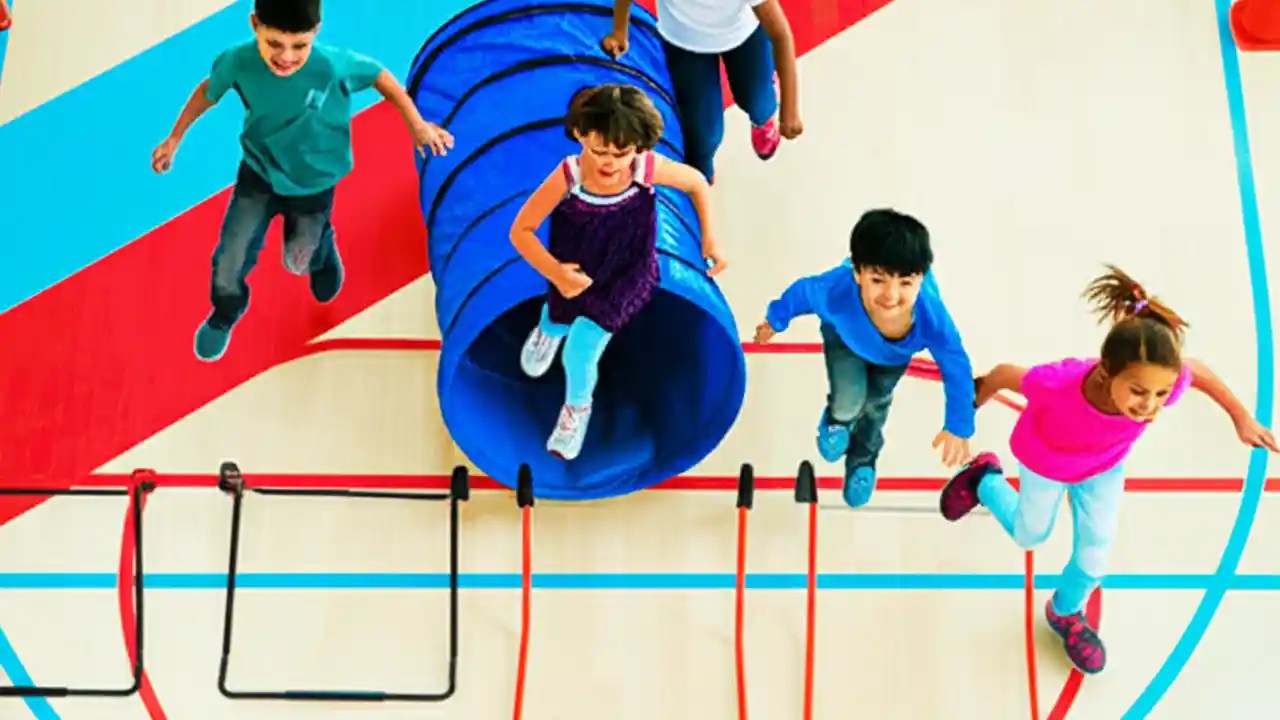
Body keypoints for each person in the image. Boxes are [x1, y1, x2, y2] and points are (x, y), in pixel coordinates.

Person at [939, 265, 1278, 675]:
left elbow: (1199, 372)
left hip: (1102, 468)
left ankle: (1065, 613)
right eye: (1138, 392)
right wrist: (974, 399)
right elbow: (1007, 374)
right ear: (1105, 372)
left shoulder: (1159, 386)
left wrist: (1241, 418)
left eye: (1161, 393)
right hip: (1045, 461)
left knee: (1096, 555)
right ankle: (985, 479)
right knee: (1030, 534)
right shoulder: (1059, 384)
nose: (1150, 405)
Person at [151, 0, 454, 362]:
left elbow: (379, 76)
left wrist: (417, 125)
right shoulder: (237, 61)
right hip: (259, 174)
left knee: (298, 260)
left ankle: (322, 251)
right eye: (274, 44)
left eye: (299, 45)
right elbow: (208, 92)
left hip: (314, 184)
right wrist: (174, 138)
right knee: (228, 259)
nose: (286, 57)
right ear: (254, 26)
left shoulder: (332, 64)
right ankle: (224, 314)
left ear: (316, 34)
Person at [510, 83, 726, 460]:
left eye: (620, 152)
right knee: (559, 315)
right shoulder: (569, 176)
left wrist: (709, 239)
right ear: (580, 135)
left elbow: (695, 183)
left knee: (579, 351)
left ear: (639, 146)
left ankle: (575, 411)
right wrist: (557, 273)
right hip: (574, 265)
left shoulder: (645, 170)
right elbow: (521, 231)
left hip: (626, 275)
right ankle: (548, 331)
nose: (609, 162)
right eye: (598, 151)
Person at [754, 209, 976, 507]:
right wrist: (774, 321)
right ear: (857, 272)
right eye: (878, 280)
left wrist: (958, 424)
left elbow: (956, 366)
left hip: (892, 358)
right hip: (844, 339)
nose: (891, 295)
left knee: (876, 406)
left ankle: (862, 460)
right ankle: (837, 421)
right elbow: (802, 293)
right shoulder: (837, 291)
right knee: (851, 397)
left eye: (905, 283)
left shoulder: (930, 316)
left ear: (920, 280)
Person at [602, 0, 802, 184]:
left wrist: (789, 109)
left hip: (743, 34)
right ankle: (701, 171)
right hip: (684, 41)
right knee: (703, 133)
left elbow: (780, 34)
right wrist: (620, 31)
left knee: (755, 99)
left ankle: (764, 114)